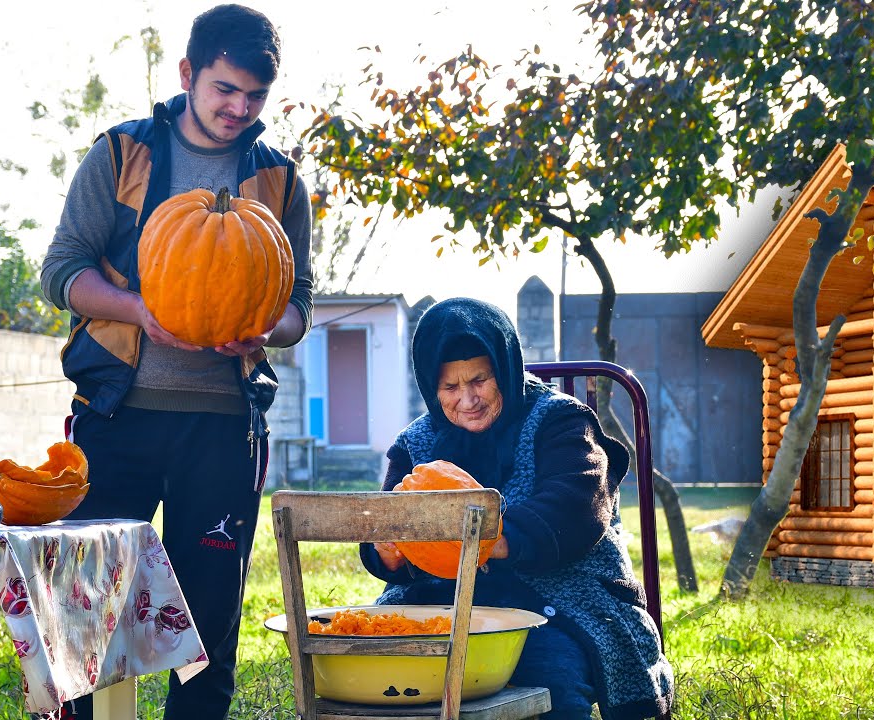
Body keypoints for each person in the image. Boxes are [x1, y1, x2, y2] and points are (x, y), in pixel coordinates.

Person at [39, 5, 313, 719]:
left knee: (206, 631)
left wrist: (262, 330)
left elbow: (297, 306)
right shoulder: (122, 153)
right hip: (115, 419)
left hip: (221, 428)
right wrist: (140, 313)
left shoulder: (280, 182)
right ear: (189, 74)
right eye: (226, 89)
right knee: (88, 617)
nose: (239, 108)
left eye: (255, 96)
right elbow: (61, 271)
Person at [359, 297, 673, 720]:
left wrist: (483, 541)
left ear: (504, 371)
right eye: (450, 387)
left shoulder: (561, 422)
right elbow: (382, 524)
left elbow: (575, 509)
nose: (467, 399)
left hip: (555, 603)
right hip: (441, 606)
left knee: (550, 679)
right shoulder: (415, 443)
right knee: (384, 679)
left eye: (480, 381)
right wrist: (386, 551)